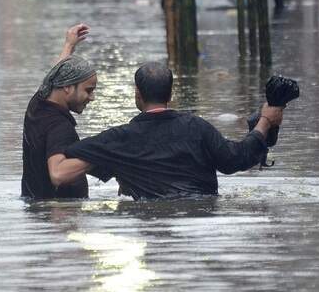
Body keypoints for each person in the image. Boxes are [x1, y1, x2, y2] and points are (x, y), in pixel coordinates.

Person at [48, 61, 285, 199]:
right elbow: (236, 159)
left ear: (137, 94)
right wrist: (265, 121)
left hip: (148, 211)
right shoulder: (197, 128)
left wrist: (105, 154)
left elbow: (64, 162)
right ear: (170, 94)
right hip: (200, 214)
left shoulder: (118, 139)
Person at [21, 24, 104, 199]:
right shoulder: (60, 127)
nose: (92, 97)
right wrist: (100, 155)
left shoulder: (37, 104)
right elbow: (58, 174)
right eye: (88, 90)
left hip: (34, 205)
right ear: (67, 87)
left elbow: (54, 76)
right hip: (60, 209)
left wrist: (69, 45)